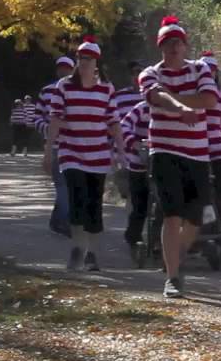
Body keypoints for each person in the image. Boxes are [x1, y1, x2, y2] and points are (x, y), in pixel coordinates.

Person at [139, 16, 219, 299]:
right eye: (167, 44)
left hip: (197, 154)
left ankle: (175, 255)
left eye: (177, 43)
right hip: (164, 151)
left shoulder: (200, 69)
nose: (173, 48)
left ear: (185, 46)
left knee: (195, 220)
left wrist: (175, 102)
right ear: (161, 48)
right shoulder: (150, 73)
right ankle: (173, 277)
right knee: (171, 215)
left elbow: (210, 100)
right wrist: (180, 106)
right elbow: (156, 96)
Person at [45, 37, 124, 271]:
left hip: (98, 156)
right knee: (76, 200)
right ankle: (77, 247)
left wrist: (121, 150)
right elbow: (56, 119)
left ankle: (92, 253)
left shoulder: (106, 89)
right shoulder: (64, 86)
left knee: (93, 205)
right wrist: (48, 151)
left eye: (88, 59)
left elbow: (113, 121)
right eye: (80, 58)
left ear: (96, 62)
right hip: (72, 153)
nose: (84, 62)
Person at [37, 57, 76, 236]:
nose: (63, 71)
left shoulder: (78, 90)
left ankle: (57, 219)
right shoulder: (46, 92)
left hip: (74, 144)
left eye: (67, 68)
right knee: (62, 186)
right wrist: (49, 129)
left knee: (69, 186)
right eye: (61, 68)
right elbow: (36, 118)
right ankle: (65, 221)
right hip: (54, 145)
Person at [199, 51, 221, 236]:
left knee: (219, 193)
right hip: (195, 151)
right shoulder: (192, 98)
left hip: (218, 151)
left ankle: (219, 232)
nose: (208, 74)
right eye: (205, 70)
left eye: (211, 70)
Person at [119, 100, 153, 259]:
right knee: (140, 206)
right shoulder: (142, 108)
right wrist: (135, 143)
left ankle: (159, 242)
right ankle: (134, 237)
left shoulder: (174, 108)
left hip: (164, 165)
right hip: (139, 164)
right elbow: (124, 125)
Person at [110, 61, 145, 205]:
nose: (137, 76)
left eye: (140, 72)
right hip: (125, 154)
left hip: (150, 153)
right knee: (130, 194)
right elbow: (111, 123)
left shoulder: (156, 97)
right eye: (133, 73)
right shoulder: (118, 97)